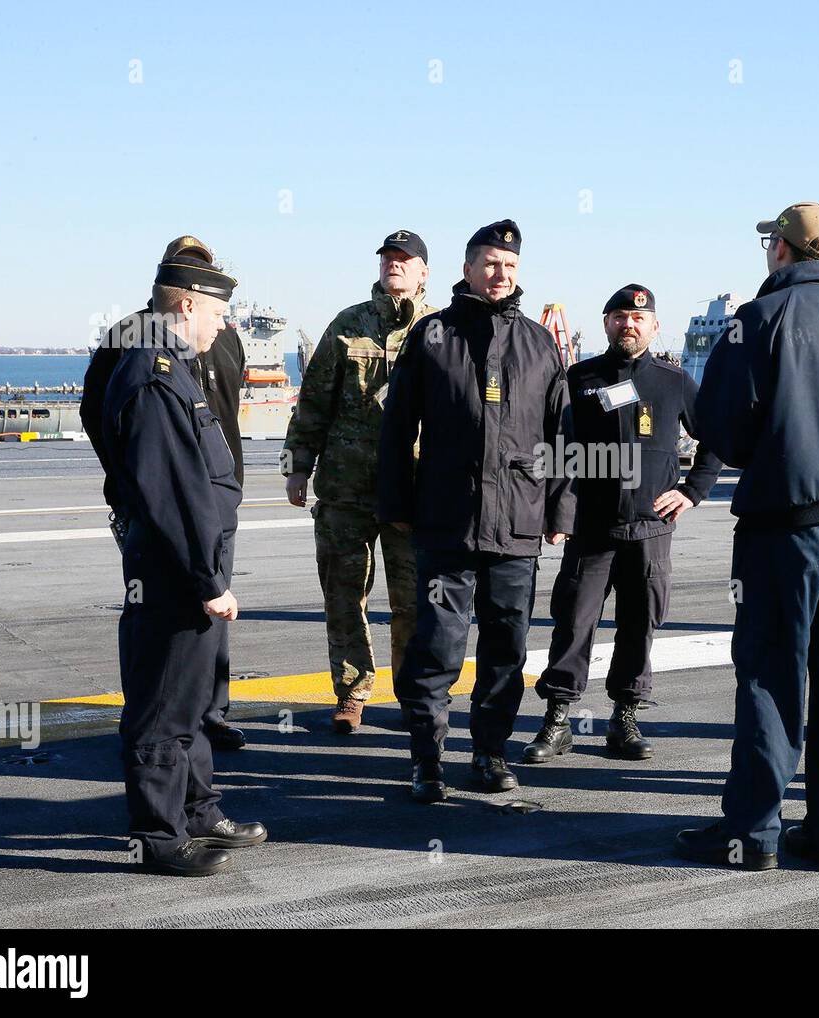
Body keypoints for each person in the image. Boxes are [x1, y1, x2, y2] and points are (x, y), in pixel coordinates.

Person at [675, 202, 819, 872]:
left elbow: (722, 428)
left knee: (770, 678)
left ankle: (752, 833)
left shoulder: (759, 319)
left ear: (781, 249)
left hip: (783, 530)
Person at [378, 220, 575, 802]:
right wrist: (397, 503)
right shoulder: (433, 335)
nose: (500, 274)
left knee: (506, 650)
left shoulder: (539, 344)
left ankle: (490, 753)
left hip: (517, 524)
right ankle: (427, 760)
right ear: (467, 268)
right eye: (490, 263)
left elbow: (561, 435)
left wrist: (560, 512)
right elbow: (397, 428)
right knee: (437, 646)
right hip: (448, 521)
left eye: (510, 266)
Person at [101, 251, 266, 877]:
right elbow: (173, 491)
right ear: (188, 304)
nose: (224, 325)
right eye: (219, 313)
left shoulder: (172, 364)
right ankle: (158, 838)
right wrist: (207, 579)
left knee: (191, 700)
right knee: (163, 706)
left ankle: (197, 812)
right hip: (175, 572)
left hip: (192, 562)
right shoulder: (154, 373)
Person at [523, 283, 721, 764]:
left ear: (654, 326)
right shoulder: (580, 378)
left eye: (638, 318)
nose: (628, 324)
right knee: (573, 623)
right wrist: (557, 513)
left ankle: (624, 719)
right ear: (607, 323)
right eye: (618, 317)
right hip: (591, 530)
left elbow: (716, 438)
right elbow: (558, 448)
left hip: (650, 531)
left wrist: (692, 491)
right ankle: (558, 720)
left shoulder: (674, 381)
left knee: (639, 625)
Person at [81, 235, 248, 752]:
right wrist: (132, 481)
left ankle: (208, 714)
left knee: (210, 614)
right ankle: (154, 717)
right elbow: (97, 412)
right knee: (160, 615)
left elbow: (229, 410)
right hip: (158, 502)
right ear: (180, 292)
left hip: (213, 503)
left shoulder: (225, 336)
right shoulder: (132, 336)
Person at [282, 230, 436, 734]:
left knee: (414, 601)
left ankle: (413, 696)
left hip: (413, 490)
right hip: (345, 488)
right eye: (388, 257)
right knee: (344, 596)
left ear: (423, 272)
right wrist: (298, 465)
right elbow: (313, 401)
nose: (394, 264)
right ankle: (351, 693)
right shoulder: (348, 325)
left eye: (405, 259)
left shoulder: (439, 330)